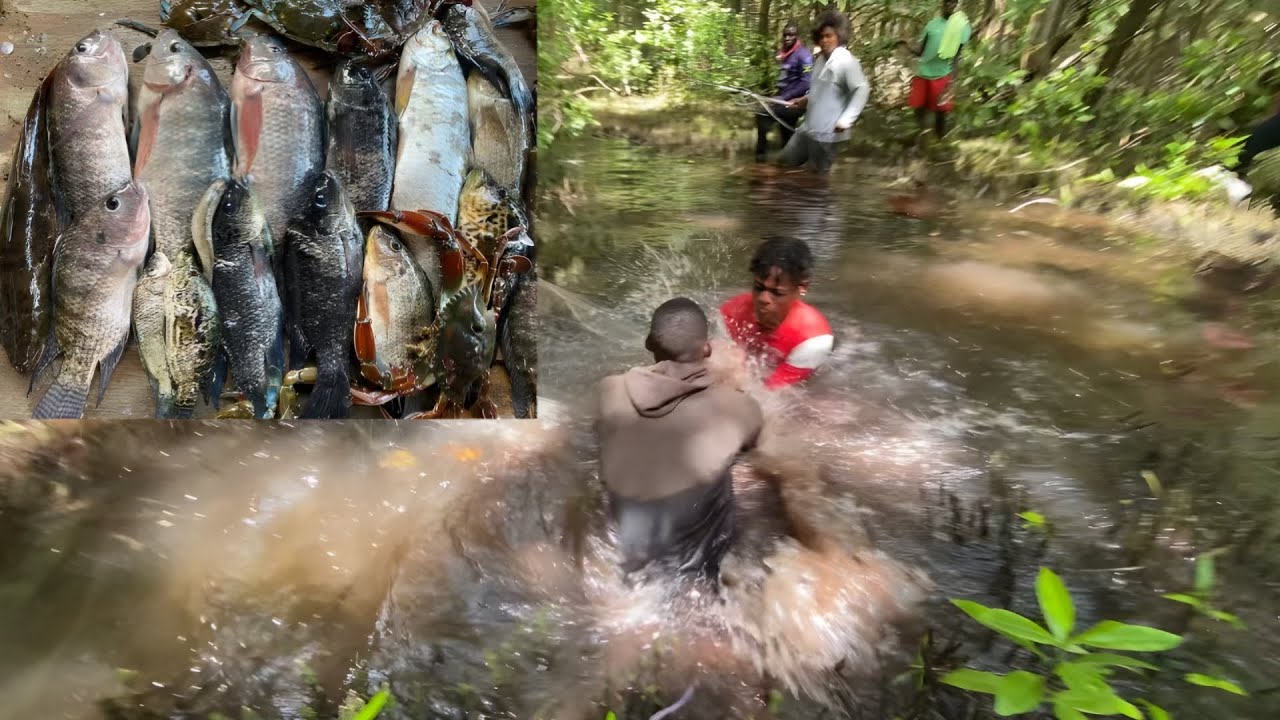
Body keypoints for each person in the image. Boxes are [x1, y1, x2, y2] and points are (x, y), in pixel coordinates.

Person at [596, 298, 764, 583]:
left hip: (616, 553)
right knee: (749, 474)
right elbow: (763, 449)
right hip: (694, 574)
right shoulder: (737, 407)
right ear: (707, 349)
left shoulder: (608, 390)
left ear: (649, 343)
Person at [720, 236, 834, 390]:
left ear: (802, 288)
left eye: (777, 293)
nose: (763, 299)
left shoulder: (813, 340)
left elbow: (771, 394)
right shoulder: (732, 310)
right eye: (759, 288)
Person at [775, 11, 870, 174]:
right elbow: (821, 91)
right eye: (821, 37)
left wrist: (846, 120)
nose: (824, 40)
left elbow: (862, 89)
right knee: (784, 162)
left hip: (828, 134)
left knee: (816, 179)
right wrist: (805, 100)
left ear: (839, 36)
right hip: (808, 128)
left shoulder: (846, 61)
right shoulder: (820, 60)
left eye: (828, 36)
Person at [900, 0, 971, 140]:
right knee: (918, 107)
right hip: (923, 72)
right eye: (948, 3)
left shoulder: (960, 27)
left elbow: (957, 55)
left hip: (943, 74)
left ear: (957, 6)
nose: (951, 6)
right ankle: (922, 135)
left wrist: (953, 79)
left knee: (941, 111)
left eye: (954, 4)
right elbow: (921, 51)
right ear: (943, 4)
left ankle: (940, 140)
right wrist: (907, 46)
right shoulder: (932, 25)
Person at [755, 23, 813, 162]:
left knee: (763, 114)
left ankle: (760, 158)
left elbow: (805, 83)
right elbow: (785, 81)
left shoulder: (804, 55)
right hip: (782, 99)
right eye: (785, 35)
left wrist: (784, 97)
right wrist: (775, 96)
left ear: (796, 36)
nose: (787, 38)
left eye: (791, 35)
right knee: (785, 131)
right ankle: (789, 161)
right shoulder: (785, 54)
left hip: (796, 102)